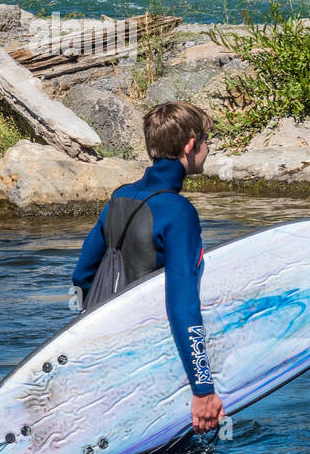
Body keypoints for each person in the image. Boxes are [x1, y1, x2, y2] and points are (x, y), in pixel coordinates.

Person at [71, 101, 225, 435]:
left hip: (108, 352)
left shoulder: (120, 197)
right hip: (152, 361)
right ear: (189, 145)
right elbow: (182, 304)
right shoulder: (178, 211)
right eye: (205, 141)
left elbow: (82, 276)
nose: (208, 149)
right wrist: (203, 391)